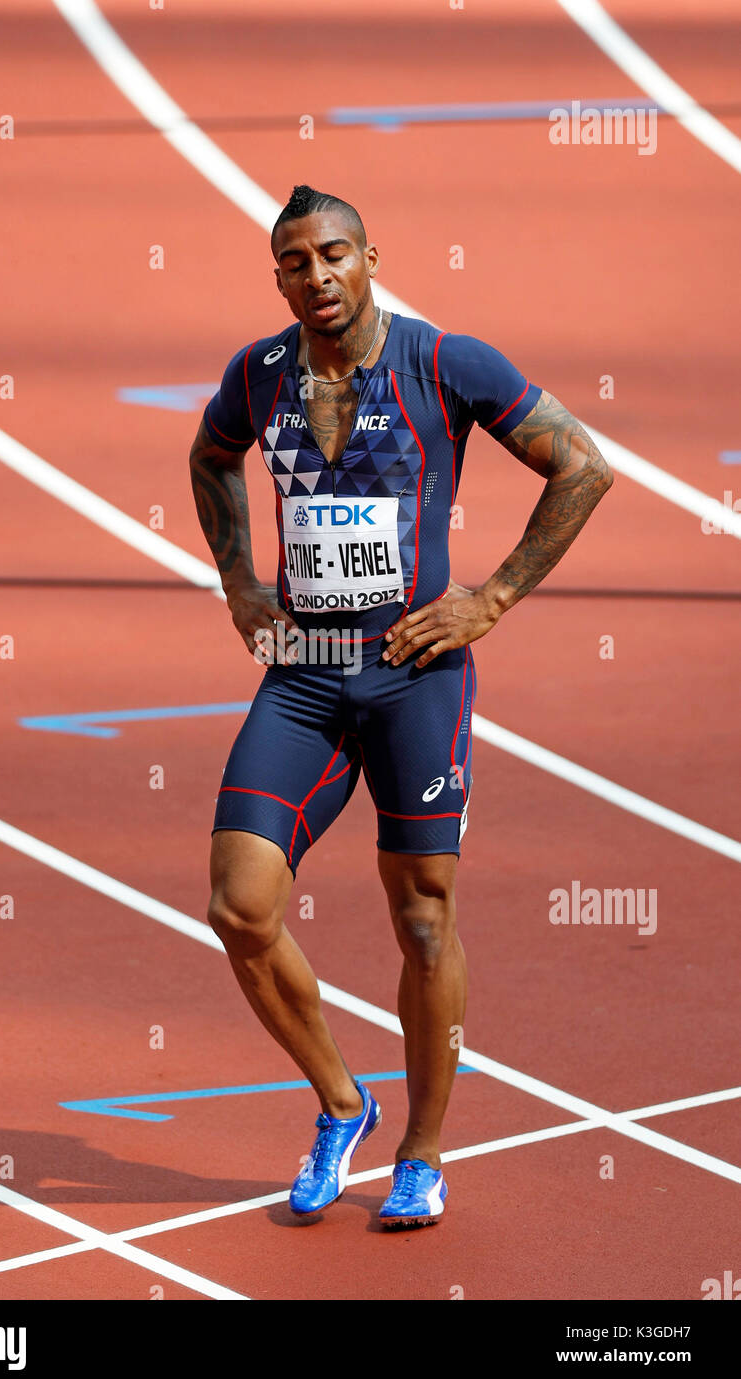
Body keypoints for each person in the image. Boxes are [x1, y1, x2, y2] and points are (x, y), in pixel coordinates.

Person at [189, 184, 612, 1228]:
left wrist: (491, 597)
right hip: (302, 675)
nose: (318, 276)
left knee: (421, 922)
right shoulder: (260, 373)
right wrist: (240, 583)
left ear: (371, 256)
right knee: (237, 905)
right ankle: (342, 1104)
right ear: (278, 277)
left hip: (414, 672)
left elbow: (581, 466)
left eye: (335, 254)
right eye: (296, 262)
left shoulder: (443, 363)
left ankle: (420, 1153)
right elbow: (208, 457)